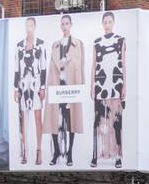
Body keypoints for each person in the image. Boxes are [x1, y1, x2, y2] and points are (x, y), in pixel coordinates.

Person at [43, 14, 84, 167]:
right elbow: (50, 70)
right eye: (63, 24)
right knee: (54, 120)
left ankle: (70, 153)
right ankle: (57, 152)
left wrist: (81, 87)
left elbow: (81, 67)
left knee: (70, 119)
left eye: (67, 23)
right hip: (56, 87)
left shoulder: (78, 44)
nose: (65, 26)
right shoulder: (55, 45)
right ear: (61, 26)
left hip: (71, 88)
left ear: (71, 25)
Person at [90, 12, 127, 169]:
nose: (107, 24)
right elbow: (94, 65)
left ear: (113, 23)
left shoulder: (120, 40)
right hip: (101, 84)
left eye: (110, 21)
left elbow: (123, 64)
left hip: (116, 82)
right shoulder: (97, 42)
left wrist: (124, 85)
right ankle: (96, 155)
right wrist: (92, 85)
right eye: (105, 21)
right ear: (102, 23)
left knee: (116, 121)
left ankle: (118, 155)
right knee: (98, 121)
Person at [14, 17, 46, 167]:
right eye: (27, 25)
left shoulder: (40, 44)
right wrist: (15, 89)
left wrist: (43, 88)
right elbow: (16, 69)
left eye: (31, 25)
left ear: (35, 26)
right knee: (23, 120)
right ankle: (25, 151)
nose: (29, 28)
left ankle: (39, 151)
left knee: (37, 118)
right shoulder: (19, 46)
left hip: (36, 83)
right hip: (22, 84)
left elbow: (43, 67)